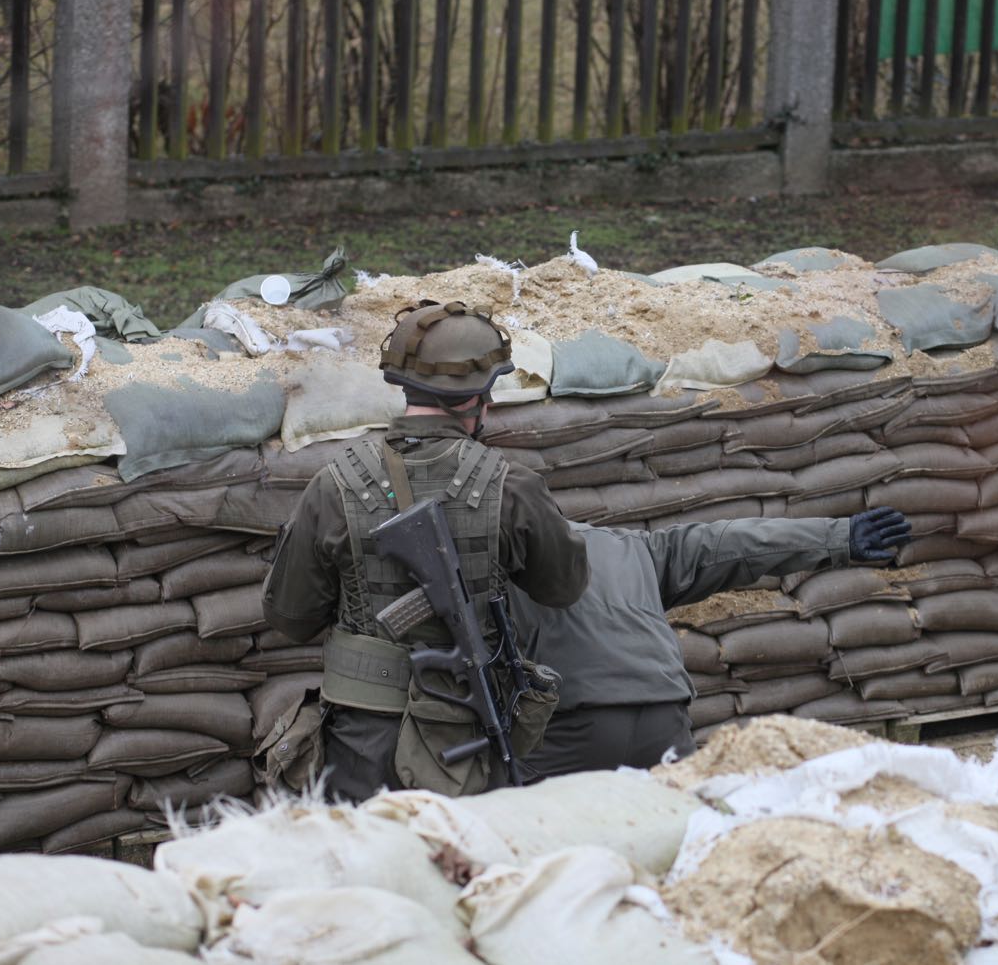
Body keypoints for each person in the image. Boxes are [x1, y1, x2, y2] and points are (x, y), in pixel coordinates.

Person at [261, 300, 590, 801]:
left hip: (361, 740)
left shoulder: (335, 485)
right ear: (478, 396)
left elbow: (291, 617)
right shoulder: (513, 485)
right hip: (468, 730)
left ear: (403, 385)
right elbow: (564, 587)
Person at [514, 506, 913, 780]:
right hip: (664, 717)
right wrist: (838, 536)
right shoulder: (629, 546)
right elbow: (729, 543)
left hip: (574, 726)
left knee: (510, 834)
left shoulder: (494, 563)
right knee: (684, 837)